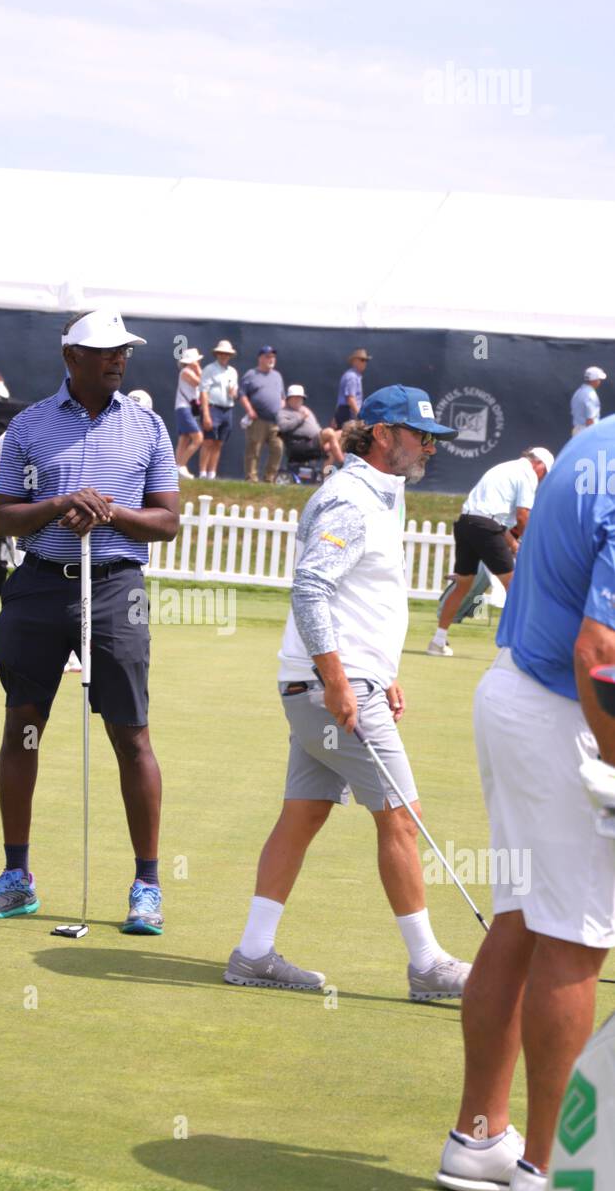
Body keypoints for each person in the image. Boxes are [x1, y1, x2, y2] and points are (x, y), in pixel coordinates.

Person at [224, 385, 471, 999]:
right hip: (330, 687)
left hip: (336, 682)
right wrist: (340, 679)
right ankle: (428, 967)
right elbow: (311, 589)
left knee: (303, 815)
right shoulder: (351, 499)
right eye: (419, 435)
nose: (429, 447)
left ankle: (253, 953)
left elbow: (364, 597)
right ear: (382, 433)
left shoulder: (381, 497)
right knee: (402, 818)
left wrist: (381, 674)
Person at [435, 421, 615, 1191]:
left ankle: (479, 1139)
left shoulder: (595, 440)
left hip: (513, 695)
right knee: (575, 932)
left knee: (523, 920)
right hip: (566, 713)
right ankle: (552, 1170)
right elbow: (599, 650)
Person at [0, 307, 180, 936]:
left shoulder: (147, 427)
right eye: (105, 352)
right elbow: (4, 517)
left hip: (115, 589)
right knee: (23, 728)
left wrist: (109, 512)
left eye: (124, 352)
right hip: (38, 588)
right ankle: (17, 877)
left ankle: (147, 885)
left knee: (131, 736)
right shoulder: (30, 426)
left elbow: (168, 520)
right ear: (72, 358)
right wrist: (60, 505)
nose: (118, 360)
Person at [427, 448, 554, 656]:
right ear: (538, 464)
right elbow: (522, 517)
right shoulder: (527, 475)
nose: (542, 478)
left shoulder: (503, 467)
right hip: (485, 528)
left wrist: (514, 545)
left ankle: (437, 641)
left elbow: (494, 519)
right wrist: (532, 546)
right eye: (545, 472)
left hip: (466, 524)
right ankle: (515, 646)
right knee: (515, 587)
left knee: (463, 584)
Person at [239, 346, 286, 483]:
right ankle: (251, 478)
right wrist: (249, 410)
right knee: (254, 448)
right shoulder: (251, 374)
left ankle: (270, 478)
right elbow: (242, 394)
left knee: (277, 448)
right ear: (260, 358)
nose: (271, 359)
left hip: (276, 421)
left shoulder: (277, 376)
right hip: (257, 419)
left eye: (273, 357)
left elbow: (282, 397)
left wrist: (282, 409)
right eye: (267, 356)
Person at [199, 340, 238, 479]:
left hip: (227, 409)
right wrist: (206, 414)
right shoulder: (209, 369)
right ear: (217, 354)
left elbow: (235, 393)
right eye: (221, 353)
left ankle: (212, 473)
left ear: (229, 356)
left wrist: (234, 393)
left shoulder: (233, 372)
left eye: (226, 354)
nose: (224, 356)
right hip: (213, 408)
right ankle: (203, 473)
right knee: (208, 441)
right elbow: (203, 392)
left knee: (219, 443)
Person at [275, 384, 328, 473]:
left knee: (338, 436)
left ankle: (326, 476)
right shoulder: (283, 412)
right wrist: (300, 418)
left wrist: (321, 436)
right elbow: (283, 427)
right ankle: (343, 463)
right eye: (295, 398)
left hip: (315, 441)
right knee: (330, 433)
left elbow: (316, 426)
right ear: (289, 399)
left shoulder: (305, 409)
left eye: (300, 398)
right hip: (299, 445)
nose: (298, 400)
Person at [173, 348, 204, 479]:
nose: (197, 363)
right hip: (184, 408)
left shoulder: (188, 372)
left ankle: (174, 470)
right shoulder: (186, 371)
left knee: (184, 439)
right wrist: (198, 369)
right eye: (196, 361)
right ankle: (181, 466)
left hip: (186, 409)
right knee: (198, 438)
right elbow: (201, 382)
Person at [333, 348, 371, 428]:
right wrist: (359, 416)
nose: (365, 363)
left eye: (366, 360)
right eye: (362, 360)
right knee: (348, 437)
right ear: (354, 361)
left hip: (345, 412)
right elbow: (350, 399)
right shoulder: (352, 377)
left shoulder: (353, 375)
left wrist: (335, 416)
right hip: (348, 413)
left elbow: (342, 398)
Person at [570, 366, 606, 437]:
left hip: (577, 431)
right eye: (599, 379)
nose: (599, 381)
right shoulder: (591, 395)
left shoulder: (578, 392)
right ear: (594, 380)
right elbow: (590, 420)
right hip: (587, 432)